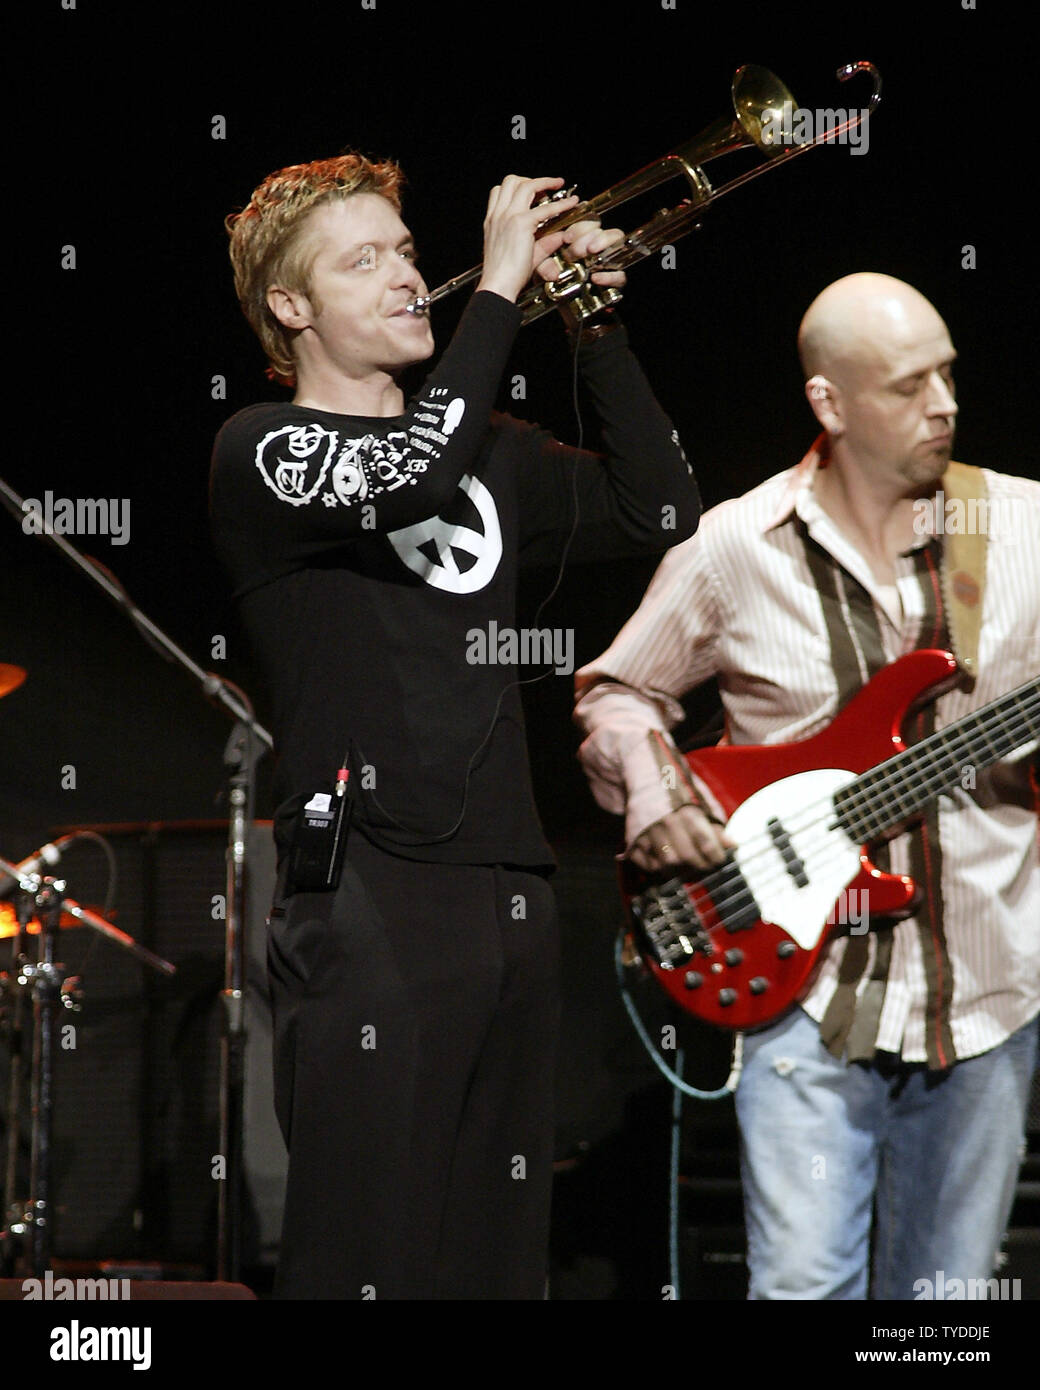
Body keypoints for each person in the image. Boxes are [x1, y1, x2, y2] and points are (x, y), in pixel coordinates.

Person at [208, 152, 700, 1299]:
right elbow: (409, 476)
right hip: (372, 886)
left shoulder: (488, 451)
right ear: (291, 309)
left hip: (509, 877)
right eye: (361, 260)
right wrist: (496, 286)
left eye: (407, 252)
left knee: (493, 1258)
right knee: (366, 1254)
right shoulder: (260, 448)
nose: (401, 277)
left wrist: (592, 324)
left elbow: (662, 507)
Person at [574, 272, 1039, 1300]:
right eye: (906, 386)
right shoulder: (737, 544)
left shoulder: (1022, 528)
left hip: (988, 987)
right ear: (826, 403)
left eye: (948, 375)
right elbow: (617, 691)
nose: (943, 405)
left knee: (942, 1315)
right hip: (796, 988)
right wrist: (654, 797)